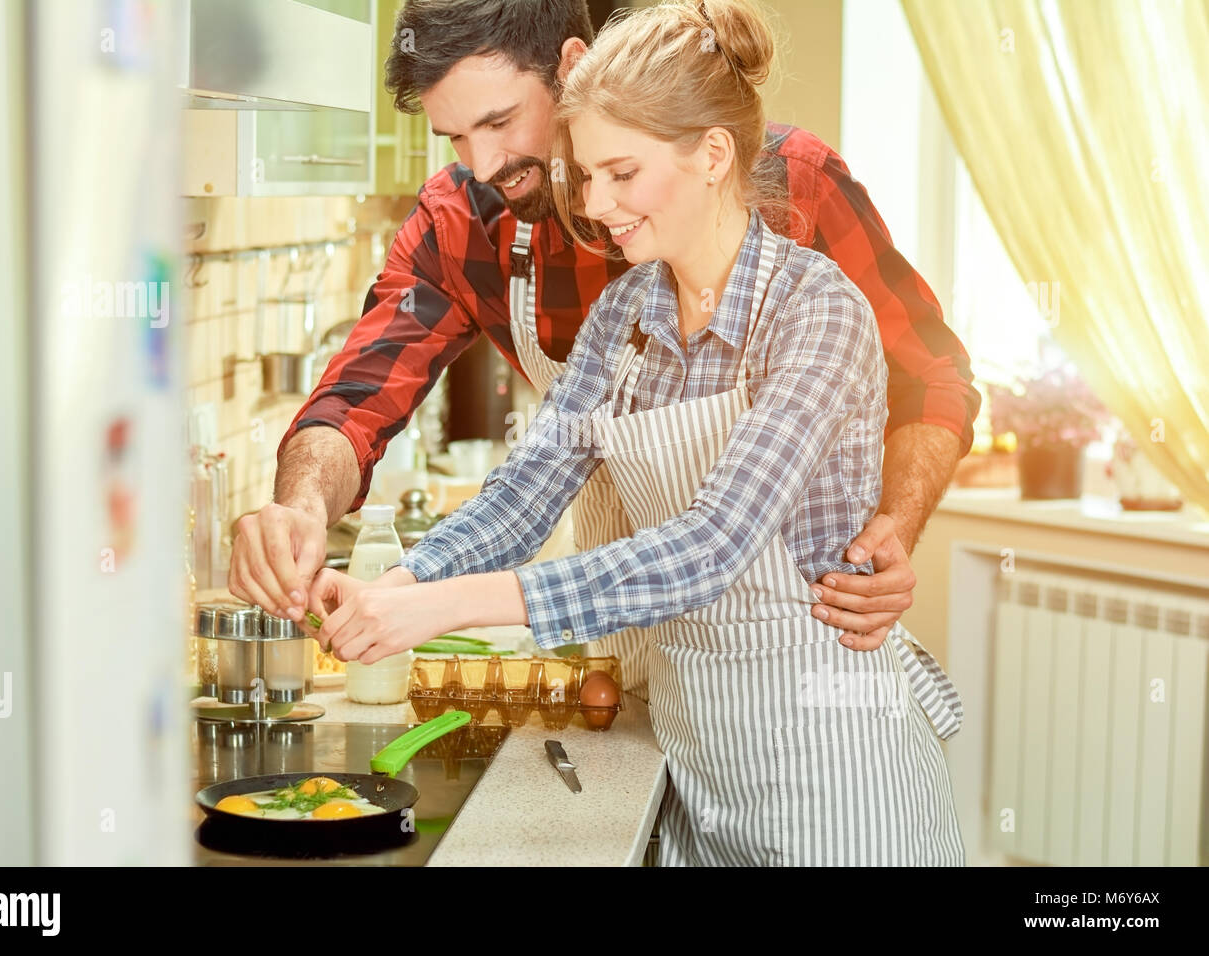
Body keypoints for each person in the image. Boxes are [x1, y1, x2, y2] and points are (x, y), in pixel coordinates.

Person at [304, 0, 965, 867]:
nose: (595, 207)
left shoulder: (816, 308)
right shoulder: (627, 311)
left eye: (621, 173)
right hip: (703, 754)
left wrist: (435, 610)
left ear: (713, 156)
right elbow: (523, 496)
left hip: (832, 759)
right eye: (585, 175)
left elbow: (709, 546)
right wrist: (393, 582)